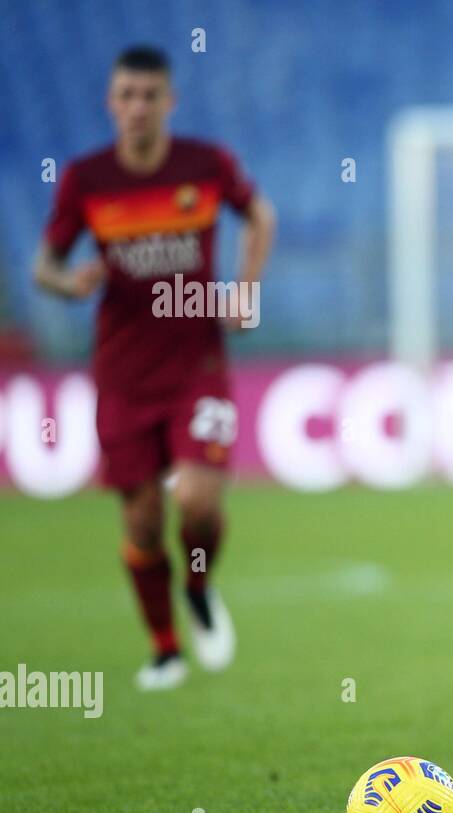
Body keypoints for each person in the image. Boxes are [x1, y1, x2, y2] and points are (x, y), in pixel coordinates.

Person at [33, 46, 276, 690]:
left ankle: (198, 586)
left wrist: (246, 287)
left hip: (197, 363)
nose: (137, 107)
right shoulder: (86, 179)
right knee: (141, 520)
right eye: (126, 96)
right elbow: (43, 266)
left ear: (169, 102)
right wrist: (70, 283)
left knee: (196, 499)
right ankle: (165, 648)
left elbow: (259, 214)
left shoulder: (206, 164)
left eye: (149, 95)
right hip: (122, 374)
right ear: (111, 104)